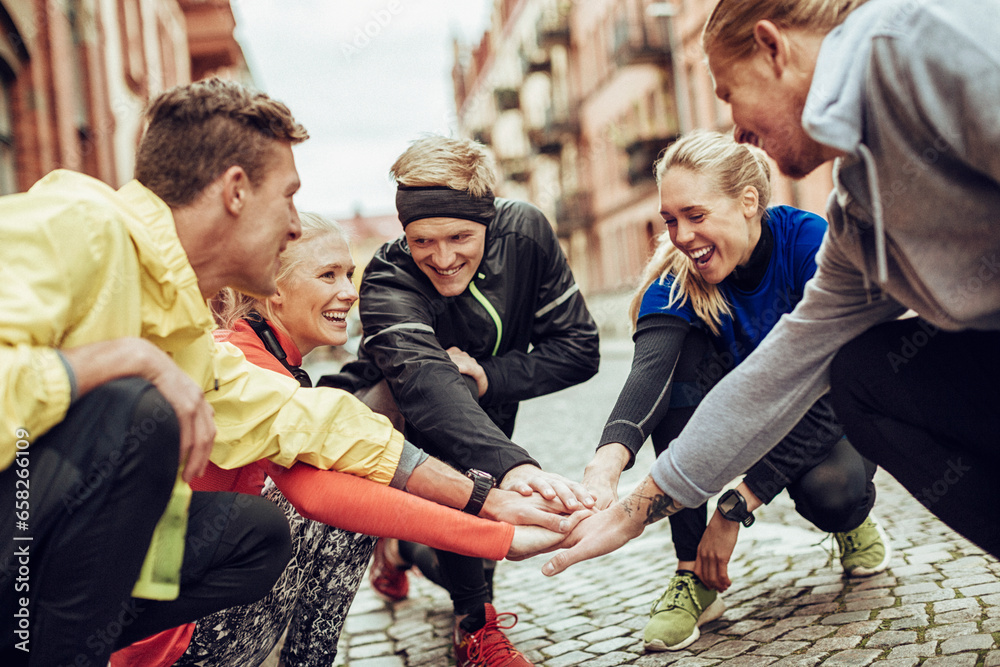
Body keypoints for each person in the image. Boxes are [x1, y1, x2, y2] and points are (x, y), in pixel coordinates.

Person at [0, 78, 563, 664]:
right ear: (236, 191)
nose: (295, 225)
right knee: (136, 408)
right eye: (288, 197)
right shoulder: (77, 223)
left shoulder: (183, 321)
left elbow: (304, 422)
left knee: (253, 534)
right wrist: (126, 360)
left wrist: (489, 504)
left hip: (48, 565)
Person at [539, 0, 1000, 576]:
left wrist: (737, 502)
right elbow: (786, 366)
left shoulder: (921, 47)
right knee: (865, 374)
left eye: (729, 93)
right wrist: (633, 509)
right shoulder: (858, 205)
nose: (736, 129)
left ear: (773, 48)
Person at [111, 213, 572, 666]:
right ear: (273, 292)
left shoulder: (262, 355)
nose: (349, 293)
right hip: (173, 647)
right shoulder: (247, 362)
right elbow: (321, 496)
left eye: (348, 274)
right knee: (347, 498)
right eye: (328, 275)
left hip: (179, 622)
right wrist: (497, 534)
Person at [582, 130, 888, 652]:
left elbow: (846, 388)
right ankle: (692, 577)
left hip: (825, 412)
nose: (681, 235)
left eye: (695, 215)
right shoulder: (679, 276)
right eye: (671, 220)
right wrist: (606, 464)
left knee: (833, 494)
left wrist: (737, 504)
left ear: (749, 202)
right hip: (741, 425)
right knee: (683, 367)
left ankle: (853, 519)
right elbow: (649, 374)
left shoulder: (809, 245)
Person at [323, 135, 601, 666]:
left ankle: (403, 547)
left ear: (489, 220)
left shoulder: (526, 235)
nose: (443, 258)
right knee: (472, 558)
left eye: (459, 237)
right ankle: (474, 625)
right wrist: (513, 467)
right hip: (392, 409)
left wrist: (490, 377)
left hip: (484, 412)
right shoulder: (387, 277)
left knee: (476, 548)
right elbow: (427, 387)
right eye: (423, 240)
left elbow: (580, 349)